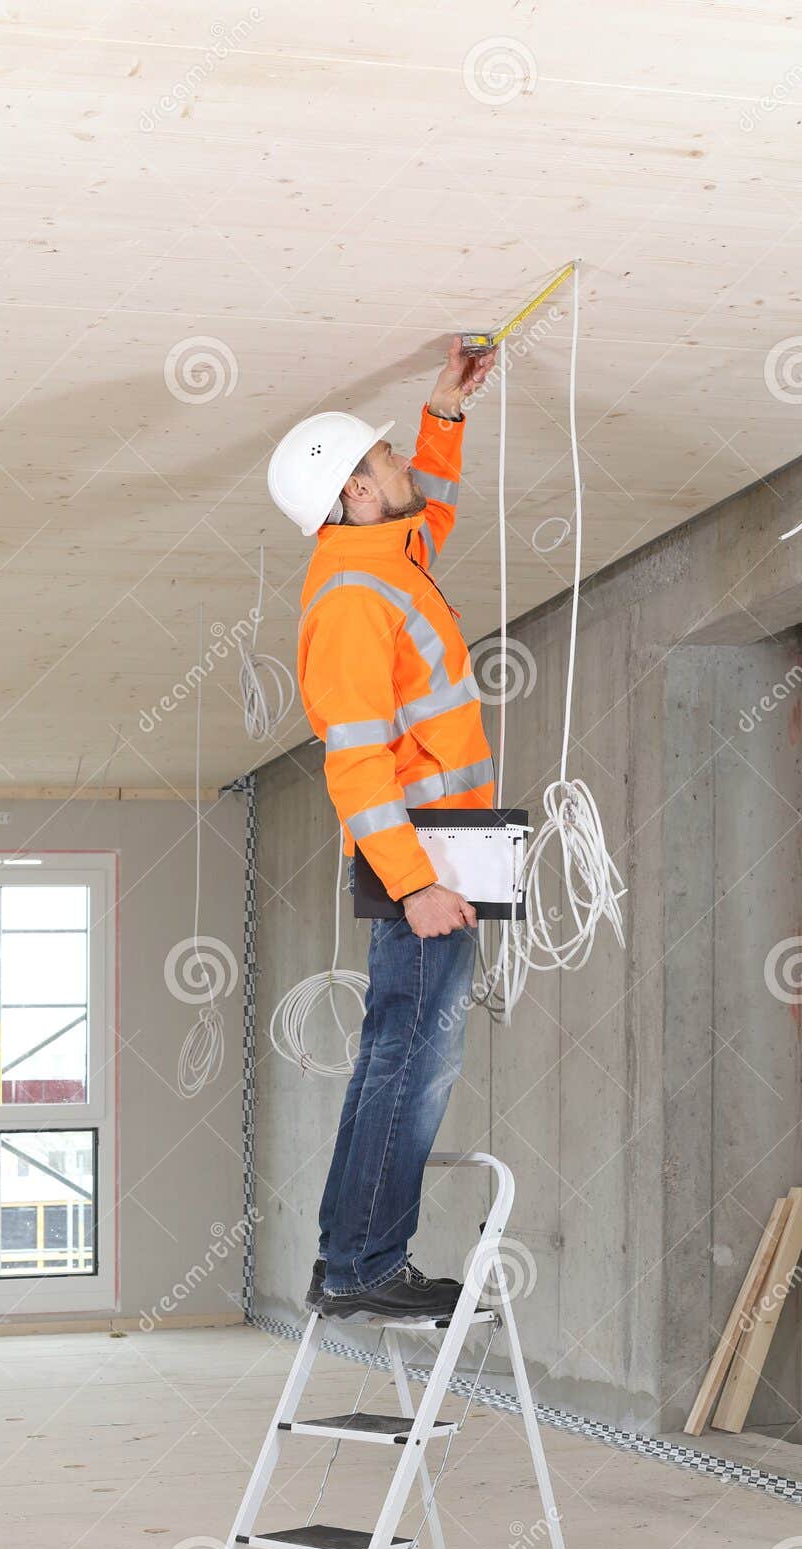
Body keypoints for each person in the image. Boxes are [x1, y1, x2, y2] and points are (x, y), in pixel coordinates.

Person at [267, 338, 497, 1323]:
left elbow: (427, 509)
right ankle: (363, 1263)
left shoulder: (384, 555)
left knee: (400, 1051)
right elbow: (355, 760)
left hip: (447, 844)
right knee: (412, 1056)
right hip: (421, 856)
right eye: (386, 455)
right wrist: (413, 882)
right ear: (357, 493)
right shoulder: (353, 599)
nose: (400, 461)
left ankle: (350, 1258)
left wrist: (445, 413)